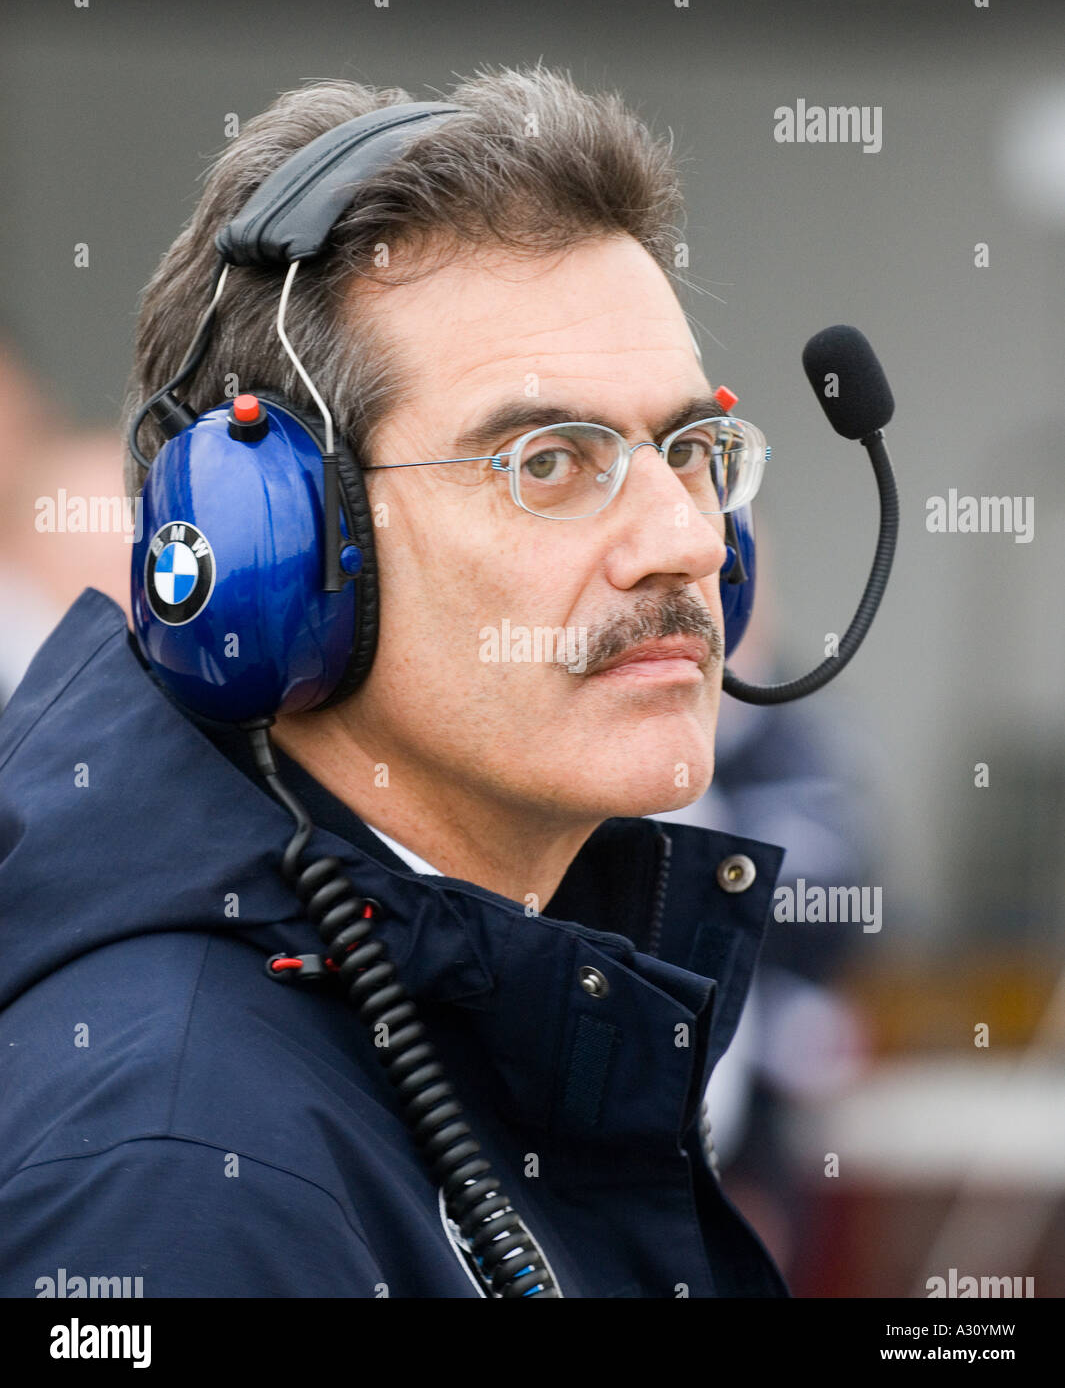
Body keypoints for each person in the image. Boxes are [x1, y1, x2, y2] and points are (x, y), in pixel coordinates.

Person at [0, 67, 788, 1298]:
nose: (687, 538)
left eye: (689, 449)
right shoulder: (181, 1175)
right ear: (273, 554)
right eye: (549, 460)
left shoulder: (479, 1006)